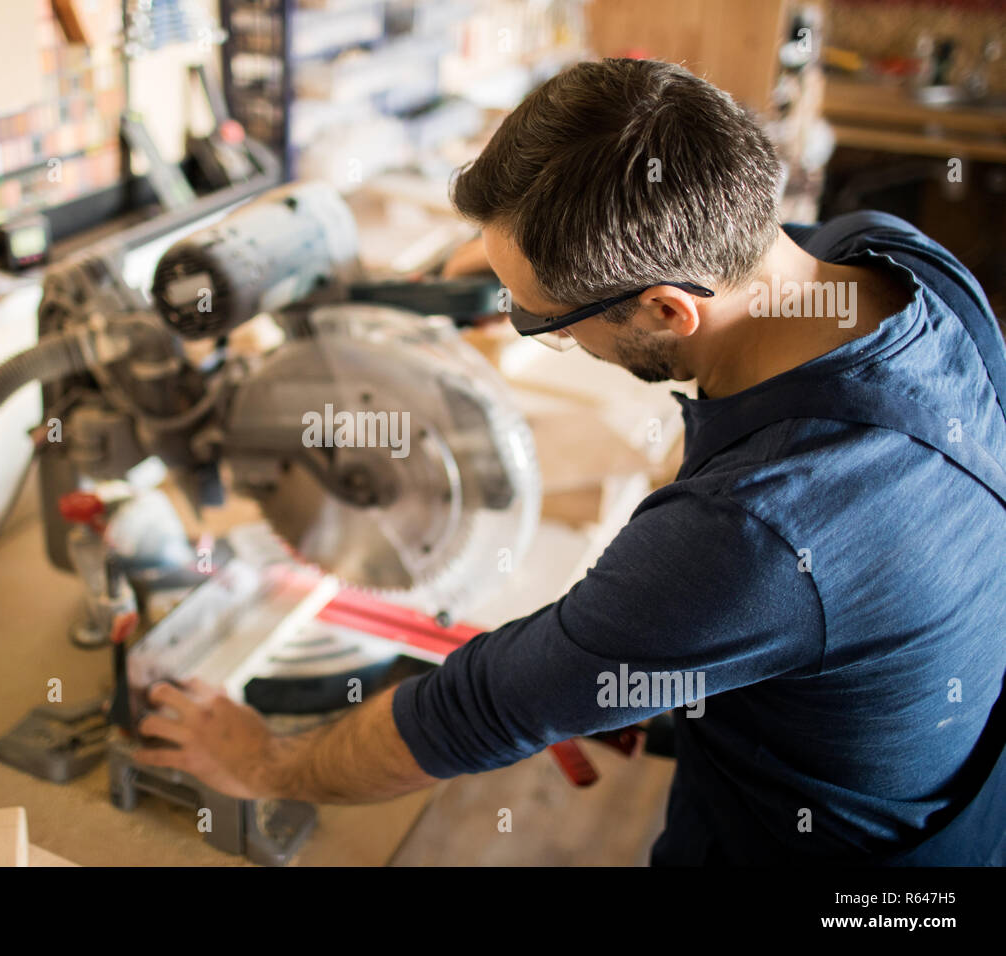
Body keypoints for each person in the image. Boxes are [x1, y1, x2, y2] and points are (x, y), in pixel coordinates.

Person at [133, 58, 1006, 865]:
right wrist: (518, 269)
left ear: (667, 311)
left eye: (537, 321)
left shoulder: (755, 534)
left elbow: (477, 711)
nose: (525, 327)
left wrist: (267, 765)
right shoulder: (893, 259)